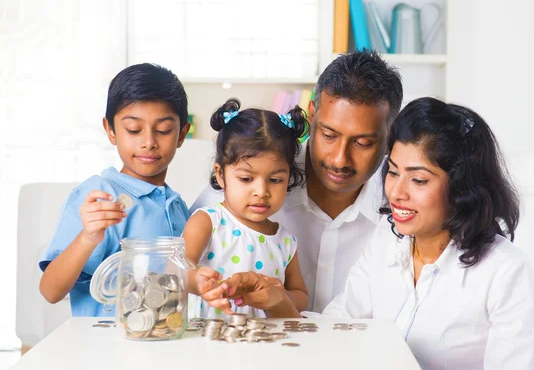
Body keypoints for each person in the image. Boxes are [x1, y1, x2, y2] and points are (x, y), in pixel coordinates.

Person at [221, 97, 534, 370]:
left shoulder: (505, 271)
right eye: (393, 172)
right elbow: (336, 328)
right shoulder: (388, 243)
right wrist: (277, 301)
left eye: (419, 180)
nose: (396, 192)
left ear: (461, 186)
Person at [190, 50, 404, 312]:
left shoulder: (403, 206)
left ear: (389, 135)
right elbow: (174, 269)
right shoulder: (228, 196)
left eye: (362, 143)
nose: (339, 159)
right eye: (329, 135)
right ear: (311, 114)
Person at [39, 63, 191, 317]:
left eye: (163, 130)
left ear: (182, 134)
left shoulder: (177, 205)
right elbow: (50, 291)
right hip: (105, 352)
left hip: (164, 344)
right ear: (110, 130)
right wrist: (88, 237)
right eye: (133, 129)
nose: (149, 142)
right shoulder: (98, 196)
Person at [184, 98, 309, 318]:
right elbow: (174, 271)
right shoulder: (208, 222)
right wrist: (197, 281)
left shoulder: (286, 240)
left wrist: (280, 295)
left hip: (267, 344)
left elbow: (301, 296)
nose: (261, 191)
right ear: (221, 175)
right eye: (246, 178)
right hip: (210, 344)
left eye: (275, 180)